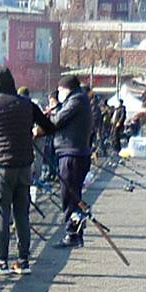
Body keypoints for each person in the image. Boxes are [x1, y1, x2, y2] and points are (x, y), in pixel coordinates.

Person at [0, 64, 55, 275]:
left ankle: (2, 261)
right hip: (24, 166)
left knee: (1, 213)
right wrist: (34, 132)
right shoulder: (28, 105)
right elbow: (50, 127)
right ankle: (23, 261)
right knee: (21, 214)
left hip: (0, 168)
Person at [48, 74, 95, 234]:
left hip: (72, 153)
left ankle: (72, 232)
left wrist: (53, 110)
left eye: (60, 90)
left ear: (66, 89)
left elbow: (56, 121)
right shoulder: (78, 99)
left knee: (69, 195)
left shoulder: (76, 100)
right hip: (72, 152)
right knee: (71, 195)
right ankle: (74, 230)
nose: (58, 93)